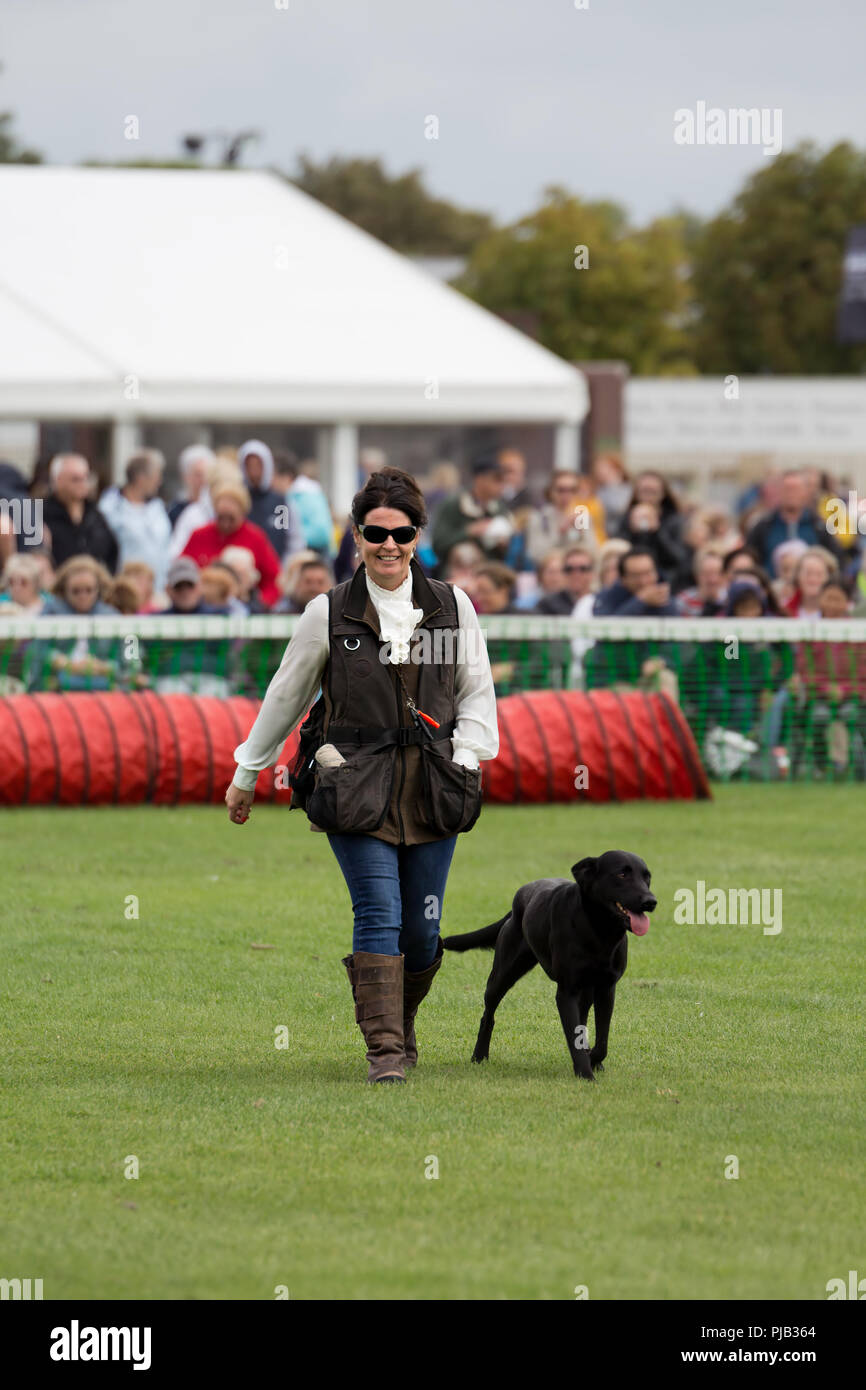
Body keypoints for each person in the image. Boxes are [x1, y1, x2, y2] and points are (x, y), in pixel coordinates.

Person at [226, 466, 499, 1085]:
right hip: (352, 784)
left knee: (423, 932)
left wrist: (467, 757)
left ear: (416, 536)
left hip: (434, 785)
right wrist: (248, 773)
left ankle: (399, 1028)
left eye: (401, 533)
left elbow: (475, 689)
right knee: (378, 912)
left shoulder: (453, 607)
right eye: (376, 533)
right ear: (356, 535)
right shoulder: (326, 612)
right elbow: (285, 696)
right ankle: (385, 1055)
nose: (389, 545)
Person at [181, 483, 282, 607]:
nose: (225, 524)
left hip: (246, 606)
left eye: (231, 518)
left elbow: (273, 578)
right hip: (203, 606)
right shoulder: (199, 535)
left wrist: (262, 603)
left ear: (242, 512)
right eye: (221, 517)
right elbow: (183, 569)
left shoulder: (255, 537)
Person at [98, 449, 172, 591]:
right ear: (141, 477)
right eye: (156, 476)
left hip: (158, 588)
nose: (159, 481)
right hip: (125, 588)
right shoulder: (110, 508)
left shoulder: (158, 508)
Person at [745, 470, 841, 576]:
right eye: (787, 489)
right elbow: (751, 561)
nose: (791, 494)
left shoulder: (819, 527)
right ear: (779, 492)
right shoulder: (763, 527)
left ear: (805, 492)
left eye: (796, 489)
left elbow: (836, 561)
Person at [430, 454, 514, 568]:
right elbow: (438, 544)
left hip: (490, 573)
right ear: (479, 479)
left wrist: (502, 545)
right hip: (455, 573)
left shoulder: (499, 508)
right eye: (496, 479)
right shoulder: (454, 504)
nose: (502, 486)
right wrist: (469, 532)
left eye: (502, 481)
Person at [42, 454, 119, 573]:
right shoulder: (40, 514)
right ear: (57, 480)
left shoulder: (95, 515)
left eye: (86, 478)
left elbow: (112, 553)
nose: (82, 484)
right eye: (75, 479)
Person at [237, 439, 305, 561]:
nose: (254, 472)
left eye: (258, 466)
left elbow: (294, 542)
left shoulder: (281, 503)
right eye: (250, 466)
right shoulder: (239, 503)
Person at [593, 548, 679, 617]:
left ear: (656, 573)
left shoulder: (664, 596)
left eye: (648, 573)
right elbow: (606, 630)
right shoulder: (608, 596)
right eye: (636, 576)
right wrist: (640, 601)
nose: (643, 581)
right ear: (623, 579)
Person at [168, 445, 216, 527]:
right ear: (186, 476)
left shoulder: (217, 508)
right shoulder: (175, 511)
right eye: (198, 474)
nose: (204, 480)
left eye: (207, 475)